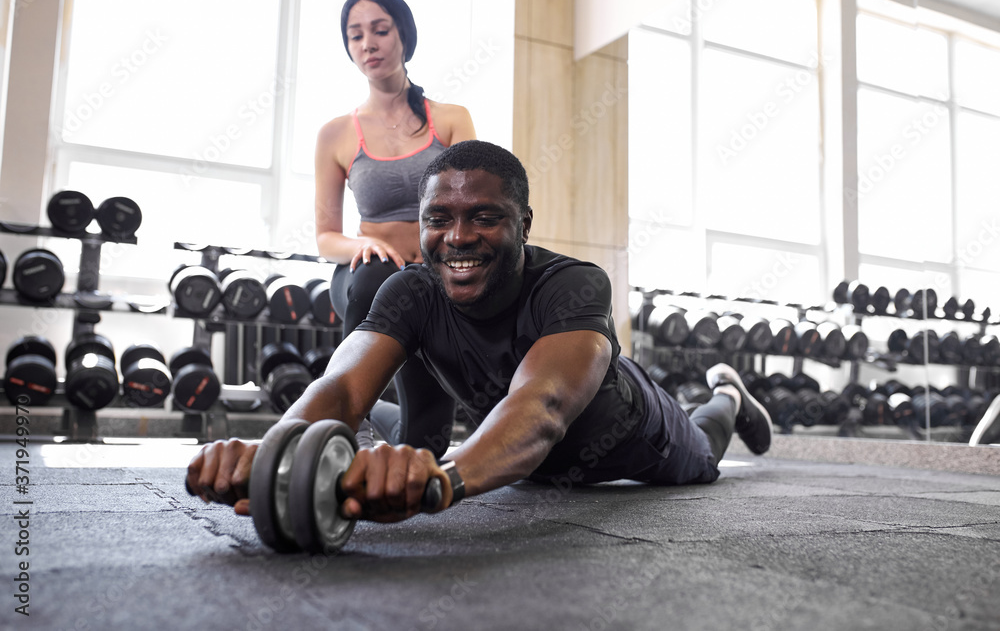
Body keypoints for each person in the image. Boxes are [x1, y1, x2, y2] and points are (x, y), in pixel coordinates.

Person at [187, 140, 773, 522]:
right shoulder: (412, 290)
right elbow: (342, 387)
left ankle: (727, 391)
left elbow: (541, 408)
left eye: (484, 217)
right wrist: (277, 452)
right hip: (511, 447)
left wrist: (437, 481)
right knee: (387, 418)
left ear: (523, 224)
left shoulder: (573, 286)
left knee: (706, 448)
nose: (458, 237)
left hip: (630, 438)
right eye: (438, 220)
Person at [315, 0, 475, 449]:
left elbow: (474, 204)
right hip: (361, 279)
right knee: (375, 275)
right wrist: (360, 245)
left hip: (431, 286)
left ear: (403, 36)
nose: (368, 43)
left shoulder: (450, 121)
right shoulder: (336, 135)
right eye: (356, 35)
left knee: (427, 443)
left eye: (380, 30)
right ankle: (348, 427)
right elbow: (325, 237)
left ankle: (381, 417)